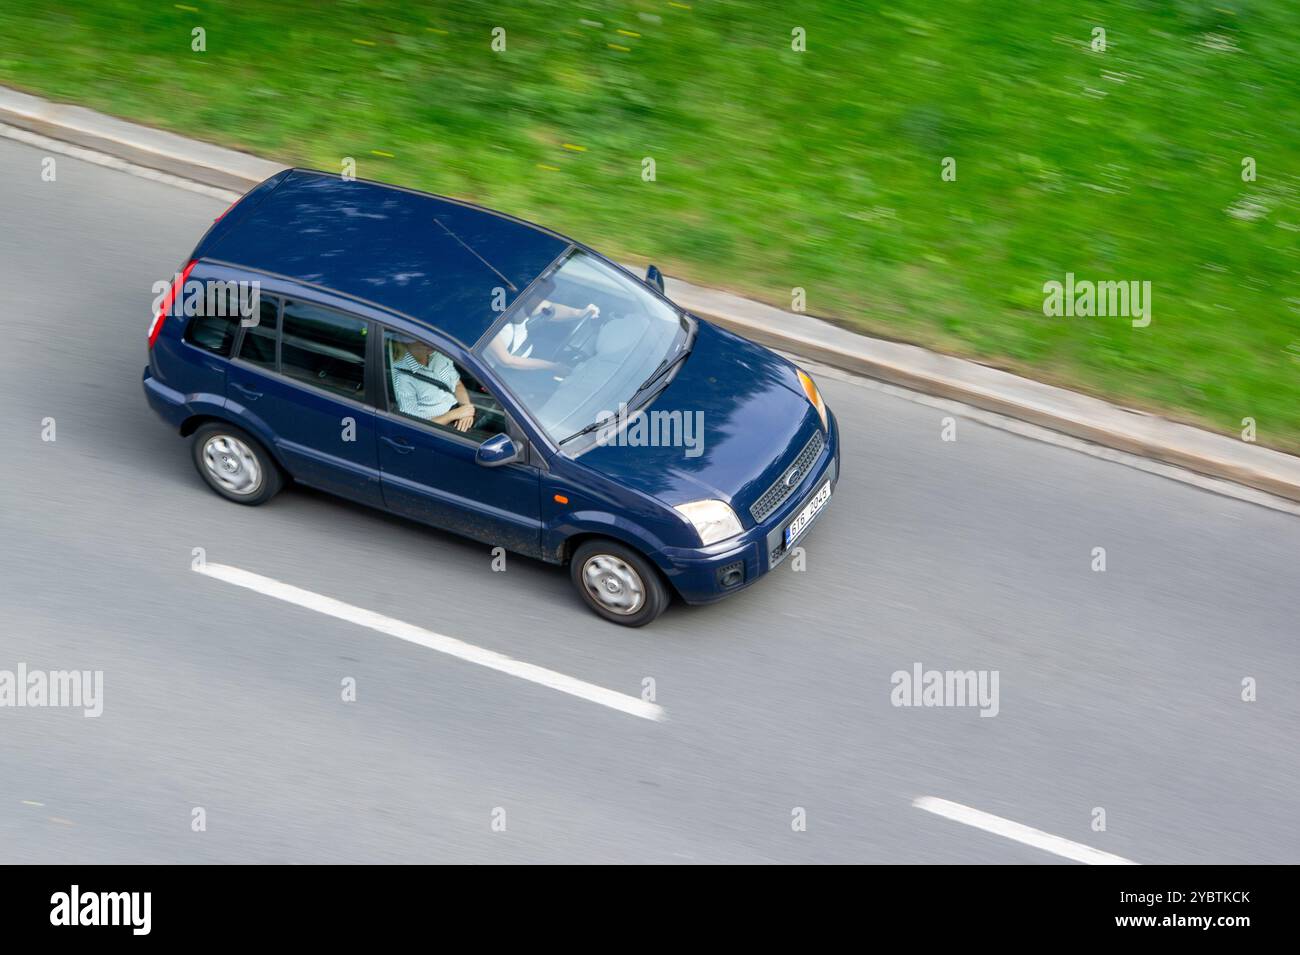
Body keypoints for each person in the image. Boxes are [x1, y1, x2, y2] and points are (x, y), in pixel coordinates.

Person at [487, 298, 599, 372]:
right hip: (501, 375)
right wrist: (553, 367)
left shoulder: (519, 300)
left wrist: (579, 313)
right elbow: (506, 361)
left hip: (530, 352)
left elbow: (550, 310)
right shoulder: (486, 324)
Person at [390, 339, 476, 432]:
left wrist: (466, 409)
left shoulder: (438, 355)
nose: (429, 342)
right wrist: (453, 415)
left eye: (428, 337)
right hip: (437, 428)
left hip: (459, 410)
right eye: (422, 340)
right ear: (405, 342)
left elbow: (457, 384)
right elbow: (414, 426)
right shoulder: (403, 378)